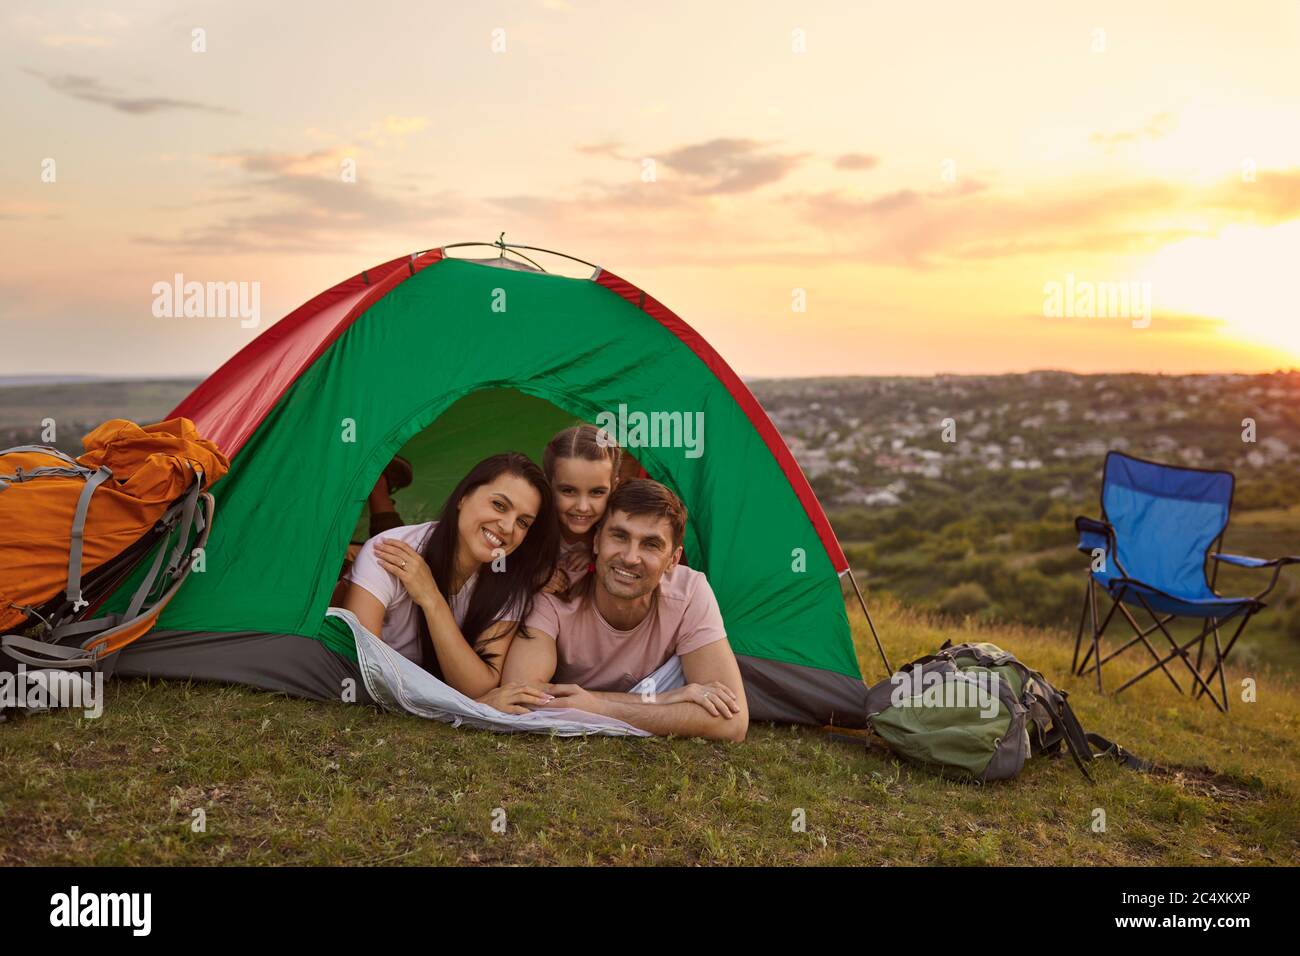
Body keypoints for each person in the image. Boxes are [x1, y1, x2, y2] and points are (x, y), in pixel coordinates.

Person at [501, 478, 748, 741]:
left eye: (651, 544)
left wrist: (599, 707)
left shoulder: (689, 592)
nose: (630, 558)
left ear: (673, 559)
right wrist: (666, 699)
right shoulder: (556, 590)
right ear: (596, 541)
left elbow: (732, 722)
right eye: (620, 536)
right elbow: (521, 695)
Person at [337, 452, 560, 709]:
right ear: (463, 497)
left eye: (523, 522)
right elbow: (362, 665)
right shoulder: (389, 551)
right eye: (499, 505)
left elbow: (480, 685)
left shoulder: (509, 581)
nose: (508, 527)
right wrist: (467, 704)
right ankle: (379, 484)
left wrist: (432, 599)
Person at [540, 424, 623, 597]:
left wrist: (595, 556)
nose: (583, 507)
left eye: (597, 492)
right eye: (568, 491)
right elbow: (500, 565)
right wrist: (532, 576)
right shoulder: (532, 525)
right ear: (547, 484)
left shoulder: (619, 531)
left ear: (614, 487)